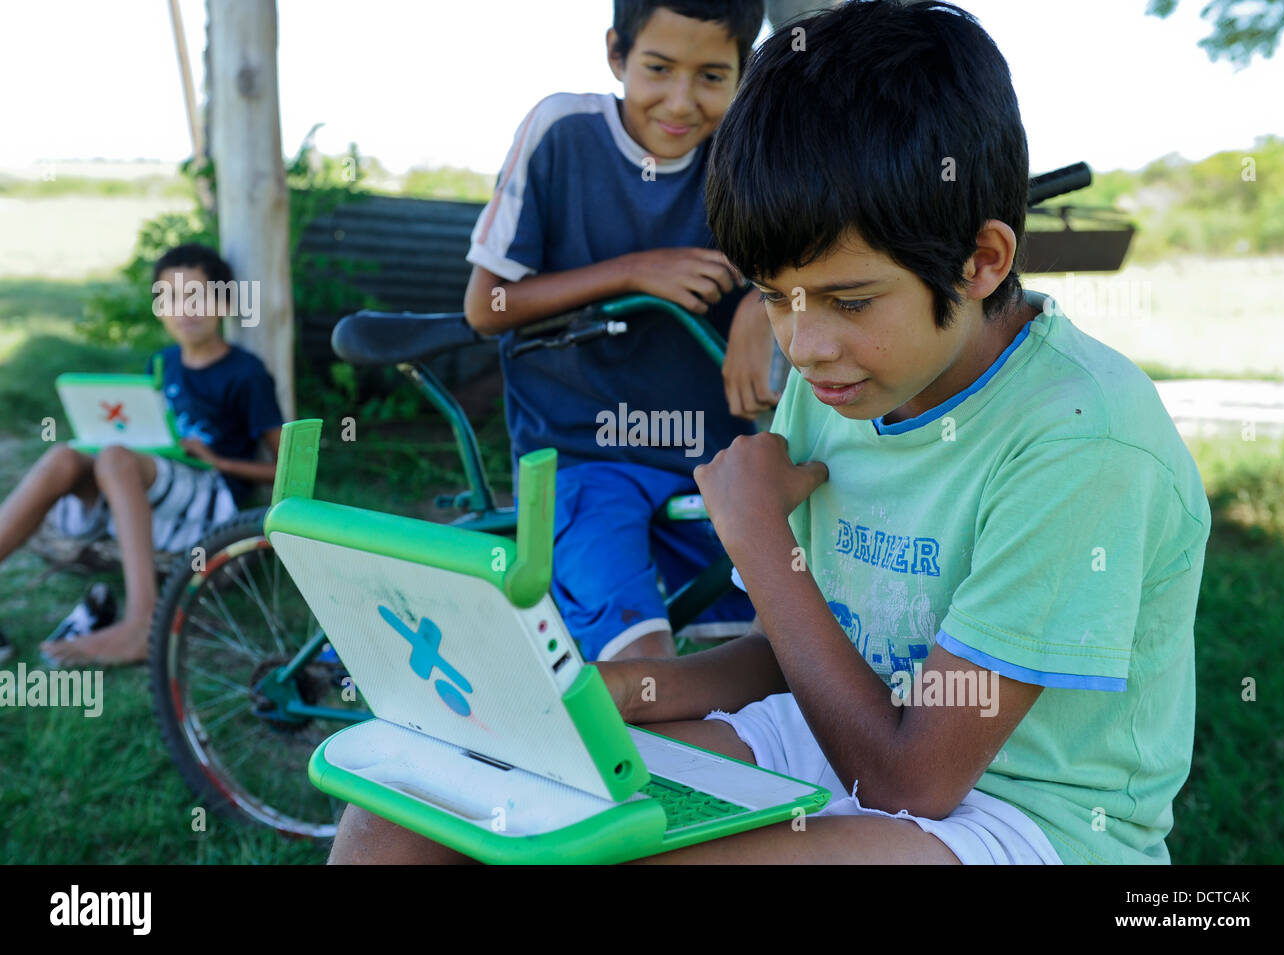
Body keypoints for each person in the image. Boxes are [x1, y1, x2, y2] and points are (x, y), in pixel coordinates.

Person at [328, 0, 1211, 865]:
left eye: (848, 299)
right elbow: (792, 655)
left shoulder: (1079, 442)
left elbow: (910, 779)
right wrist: (603, 693)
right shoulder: (849, 376)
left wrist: (758, 540)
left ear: (982, 261)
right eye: (776, 296)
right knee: (420, 798)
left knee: (621, 858)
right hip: (828, 735)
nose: (805, 346)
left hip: (1010, 813)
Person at [462, 0, 772, 662]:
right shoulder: (562, 131)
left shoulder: (750, 156)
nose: (681, 100)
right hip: (581, 453)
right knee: (640, 666)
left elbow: (803, 264)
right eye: (658, 68)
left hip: (712, 458)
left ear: (742, 75)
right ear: (616, 55)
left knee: (763, 661)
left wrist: (764, 303)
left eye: (712, 77)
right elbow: (485, 307)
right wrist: (634, 272)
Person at [0, 244, 283, 666]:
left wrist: (218, 461)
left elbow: (283, 469)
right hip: (151, 490)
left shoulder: (246, 373)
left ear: (225, 303)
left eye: (197, 296)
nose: (184, 310)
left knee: (115, 457)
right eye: (170, 298)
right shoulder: (162, 363)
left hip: (207, 501)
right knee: (64, 456)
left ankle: (142, 623)